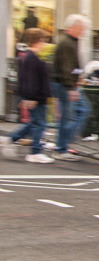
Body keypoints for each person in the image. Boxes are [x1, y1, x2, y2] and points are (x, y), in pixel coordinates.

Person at [6, 28, 53, 163]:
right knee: (39, 124)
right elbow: (30, 79)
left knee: (35, 123)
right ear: (38, 41)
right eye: (43, 40)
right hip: (37, 97)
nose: (44, 43)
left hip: (38, 97)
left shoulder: (31, 57)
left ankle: (11, 138)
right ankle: (35, 152)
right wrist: (30, 97)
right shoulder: (31, 58)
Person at [51, 14, 92, 161]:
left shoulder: (70, 42)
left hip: (67, 84)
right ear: (72, 28)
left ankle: (64, 143)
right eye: (81, 28)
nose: (83, 31)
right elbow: (66, 68)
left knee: (75, 114)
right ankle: (62, 147)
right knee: (70, 116)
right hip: (65, 85)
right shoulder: (68, 44)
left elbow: (71, 68)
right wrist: (71, 88)